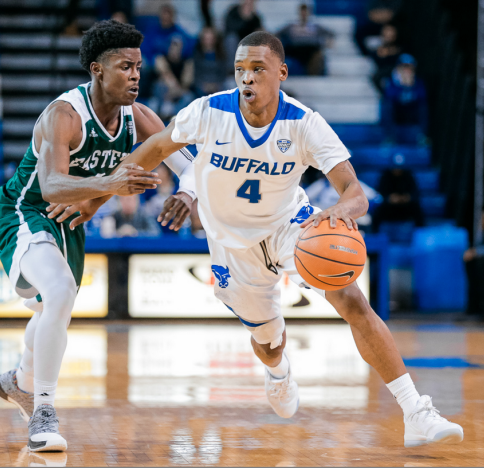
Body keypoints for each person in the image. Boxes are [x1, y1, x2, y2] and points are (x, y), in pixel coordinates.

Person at [102, 31, 464, 447]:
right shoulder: (208, 111)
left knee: (350, 298)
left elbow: (355, 193)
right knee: (269, 343)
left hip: (290, 225)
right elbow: (156, 146)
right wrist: (100, 188)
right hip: (233, 248)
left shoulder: (304, 123)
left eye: (257, 69)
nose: (247, 79)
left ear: (282, 73)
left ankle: (414, 409)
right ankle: (278, 372)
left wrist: (340, 211)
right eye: (240, 70)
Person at [0, 20, 197, 453]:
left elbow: (188, 164)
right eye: (125, 66)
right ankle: (43, 411)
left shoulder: (137, 117)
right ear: (97, 70)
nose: (136, 75)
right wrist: (111, 183)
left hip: (70, 221)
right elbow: (50, 186)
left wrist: (190, 192)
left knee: (53, 309)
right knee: (60, 291)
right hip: (25, 211)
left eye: (139, 66)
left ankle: (19, 382)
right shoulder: (63, 115)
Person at [277, 4, 334, 76]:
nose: (304, 14)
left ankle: (313, 77)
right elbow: (277, 34)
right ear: (299, 13)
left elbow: (330, 34)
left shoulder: (315, 27)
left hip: (311, 50)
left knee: (319, 56)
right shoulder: (292, 26)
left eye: (306, 12)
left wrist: (329, 41)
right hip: (294, 49)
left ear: (309, 13)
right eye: (302, 12)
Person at [382, 54, 428, 142]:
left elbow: (422, 96)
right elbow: (389, 96)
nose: (407, 71)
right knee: (387, 106)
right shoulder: (392, 81)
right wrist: (402, 85)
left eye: (409, 68)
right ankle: (389, 138)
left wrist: (410, 86)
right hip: (397, 112)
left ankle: (422, 136)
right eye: (404, 68)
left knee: (423, 107)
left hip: (411, 112)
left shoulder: (418, 82)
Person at [150, 37, 194, 120]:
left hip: (179, 93)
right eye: (172, 47)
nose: (175, 50)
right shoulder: (160, 58)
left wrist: (177, 90)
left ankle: (176, 117)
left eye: (178, 47)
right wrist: (173, 88)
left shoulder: (187, 62)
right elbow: (165, 74)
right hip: (162, 93)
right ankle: (162, 114)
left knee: (188, 96)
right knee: (161, 85)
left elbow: (187, 82)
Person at [371, 164, 424, 232]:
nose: (397, 170)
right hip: (390, 207)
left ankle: (420, 235)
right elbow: (379, 194)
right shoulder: (385, 175)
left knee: (417, 209)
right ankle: (375, 236)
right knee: (377, 211)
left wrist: (407, 197)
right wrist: (389, 198)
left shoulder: (408, 175)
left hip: (405, 207)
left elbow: (415, 193)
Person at [192, 27, 228, 97]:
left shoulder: (221, 54)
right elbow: (195, 73)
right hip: (201, 84)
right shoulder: (196, 54)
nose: (208, 42)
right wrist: (204, 85)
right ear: (202, 40)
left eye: (211, 39)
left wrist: (216, 85)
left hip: (218, 84)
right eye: (206, 39)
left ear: (215, 39)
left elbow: (223, 73)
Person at [371, 24, 401, 91]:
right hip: (383, 70)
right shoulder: (378, 47)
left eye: (391, 33)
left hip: (397, 69)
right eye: (387, 32)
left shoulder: (400, 47)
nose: (389, 34)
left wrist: (389, 51)